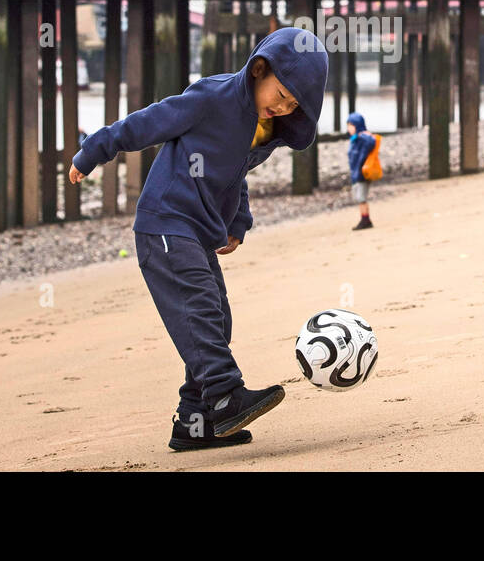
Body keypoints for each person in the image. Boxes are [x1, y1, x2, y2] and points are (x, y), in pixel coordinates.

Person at [68, 26, 327, 451]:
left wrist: (238, 223)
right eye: (279, 94)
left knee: (217, 317)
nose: (280, 107)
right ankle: (226, 394)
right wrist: (95, 149)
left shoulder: (264, 131)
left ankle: (195, 423)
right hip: (165, 223)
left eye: (292, 104)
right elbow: (146, 122)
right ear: (259, 70)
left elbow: (235, 175)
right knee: (200, 309)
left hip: (197, 232)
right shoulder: (213, 97)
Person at [345, 111, 376, 231]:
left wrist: (363, 134)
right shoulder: (354, 139)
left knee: (361, 198)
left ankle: (365, 220)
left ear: (357, 125)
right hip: (356, 173)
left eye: (351, 125)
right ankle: (364, 219)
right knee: (359, 197)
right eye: (348, 126)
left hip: (363, 173)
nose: (349, 128)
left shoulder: (362, 138)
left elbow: (371, 141)